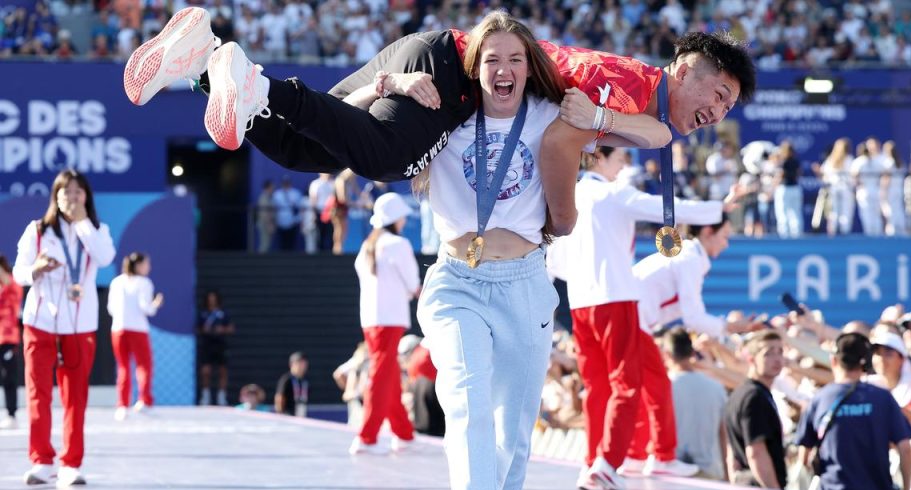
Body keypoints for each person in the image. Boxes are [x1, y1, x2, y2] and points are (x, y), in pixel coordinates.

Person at [124, 8, 754, 232]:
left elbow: (649, 135)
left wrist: (655, 132)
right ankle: (255, 80)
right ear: (688, 66)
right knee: (388, 160)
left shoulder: (640, 98)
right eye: (719, 93)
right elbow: (560, 146)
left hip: (425, 54)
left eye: (727, 107)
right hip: (453, 72)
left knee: (302, 150)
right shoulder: (632, 86)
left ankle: (205, 59)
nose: (718, 111)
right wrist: (561, 222)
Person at [411, 13, 565, 490]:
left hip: (524, 283)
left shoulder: (552, 116)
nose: (504, 69)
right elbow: (352, 107)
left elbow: (656, 132)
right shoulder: (444, 116)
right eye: (492, 59)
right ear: (475, 68)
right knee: (466, 397)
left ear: (529, 69)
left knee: (513, 426)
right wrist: (394, 84)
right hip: (458, 282)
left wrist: (596, 116)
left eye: (515, 59)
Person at [547, 145, 720, 490]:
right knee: (626, 385)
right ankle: (609, 464)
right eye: (620, 158)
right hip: (617, 297)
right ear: (599, 158)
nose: (624, 165)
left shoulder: (567, 195)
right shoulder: (613, 193)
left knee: (596, 386)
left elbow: (557, 262)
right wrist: (718, 208)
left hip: (581, 301)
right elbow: (665, 208)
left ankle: (593, 461)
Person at [13, 169, 116, 486]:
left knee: (75, 397)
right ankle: (42, 461)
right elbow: (18, 273)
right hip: (39, 322)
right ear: (55, 198)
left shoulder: (97, 231)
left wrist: (84, 223)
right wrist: (36, 270)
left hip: (79, 324)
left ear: (86, 196)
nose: (72, 197)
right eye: (65, 192)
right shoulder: (37, 231)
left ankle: (71, 463)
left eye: (78, 191)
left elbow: (106, 257)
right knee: (38, 394)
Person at [797, 332, 911, 490]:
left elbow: (803, 458)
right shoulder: (883, 398)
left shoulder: (820, 399)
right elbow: (905, 449)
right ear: (866, 363)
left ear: (834, 361)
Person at [351, 192, 420, 454]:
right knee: (381, 375)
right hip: (390, 318)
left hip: (371, 318)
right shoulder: (396, 245)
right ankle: (367, 436)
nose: (403, 222)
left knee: (387, 373)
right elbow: (412, 283)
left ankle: (403, 433)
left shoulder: (368, 245)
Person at [724, 330, 788, 490]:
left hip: (747, 487)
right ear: (751, 359)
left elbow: (732, 450)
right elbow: (756, 451)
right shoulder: (754, 397)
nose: (777, 359)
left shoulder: (743, 393)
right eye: (768, 353)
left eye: (780, 351)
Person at [662, 327, 729, 480]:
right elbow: (723, 434)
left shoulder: (664, 388)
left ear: (666, 354)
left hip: (673, 472)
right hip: (710, 471)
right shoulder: (716, 387)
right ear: (692, 352)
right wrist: (726, 474)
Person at [107, 252, 164, 421]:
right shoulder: (144, 283)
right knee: (144, 366)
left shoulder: (116, 282)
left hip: (118, 328)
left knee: (123, 367)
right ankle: (144, 401)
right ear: (138, 265)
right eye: (147, 264)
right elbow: (146, 308)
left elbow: (111, 308)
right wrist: (156, 304)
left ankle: (122, 406)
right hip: (138, 329)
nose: (149, 267)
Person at [197, 290, 234, 406]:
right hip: (207, 344)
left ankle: (221, 397)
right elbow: (197, 328)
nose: (211, 301)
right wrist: (205, 330)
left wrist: (221, 329)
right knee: (206, 371)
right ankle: (206, 396)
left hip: (221, 344)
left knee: (222, 371)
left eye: (214, 298)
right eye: (210, 298)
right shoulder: (203, 313)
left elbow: (231, 328)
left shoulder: (223, 313)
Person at [0, 254, 23, 429]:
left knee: (9, 377)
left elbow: (17, 298)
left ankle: (11, 413)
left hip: (8, 338)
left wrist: (5, 280)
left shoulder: (12, 283)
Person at [274, 351, 309, 417]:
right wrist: (280, 415)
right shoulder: (286, 379)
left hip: (300, 414)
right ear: (292, 364)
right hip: (288, 416)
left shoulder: (304, 381)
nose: (302, 366)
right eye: (300, 363)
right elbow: (279, 398)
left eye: (304, 364)